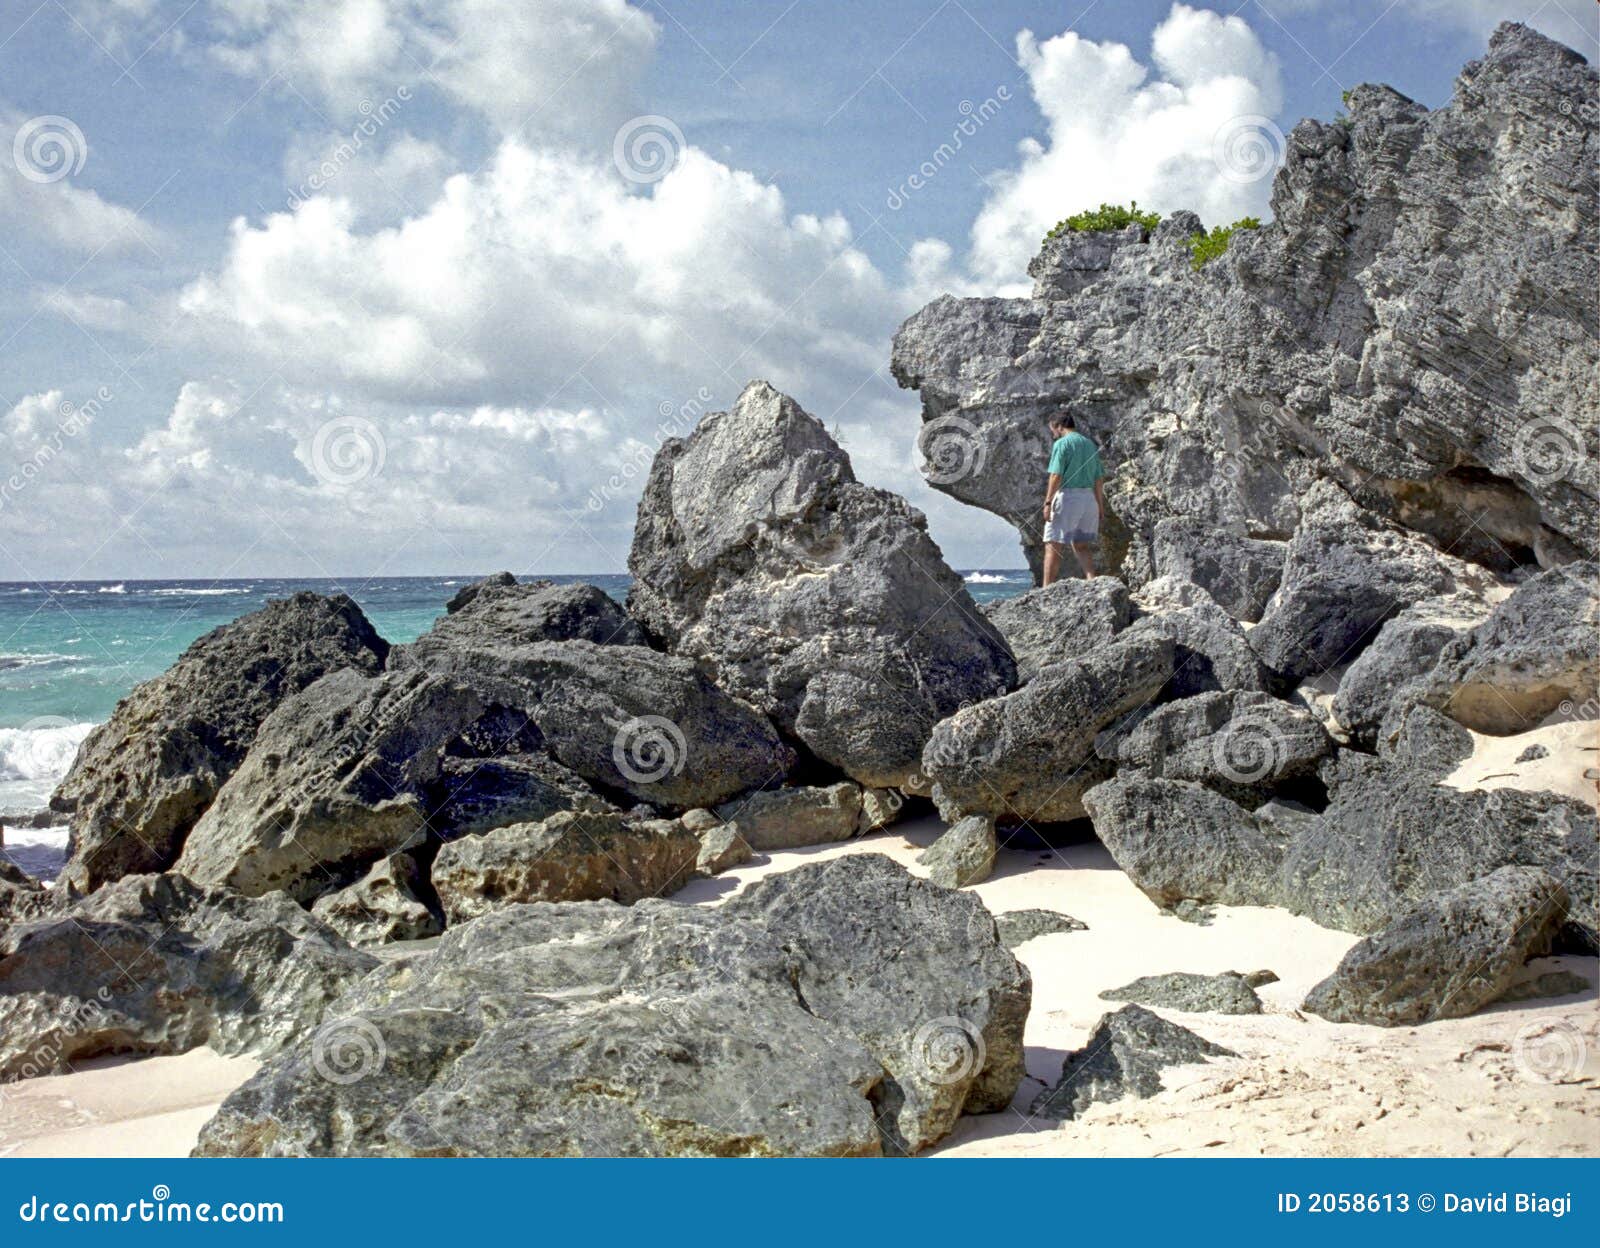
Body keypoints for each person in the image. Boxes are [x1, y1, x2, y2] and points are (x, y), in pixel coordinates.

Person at [1041, 411, 1105, 584]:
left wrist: (1048, 502)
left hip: (1068, 497)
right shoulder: (1090, 444)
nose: (1053, 434)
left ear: (1059, 426)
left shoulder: (1062, 444)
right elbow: (1098, 478)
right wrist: (1100, 505)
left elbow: (1055, 475)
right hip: (1089, 499)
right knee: (1081, 545)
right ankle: (1093, 582)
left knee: (1053, 545)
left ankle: (1045, 590)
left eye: (1053, 430)